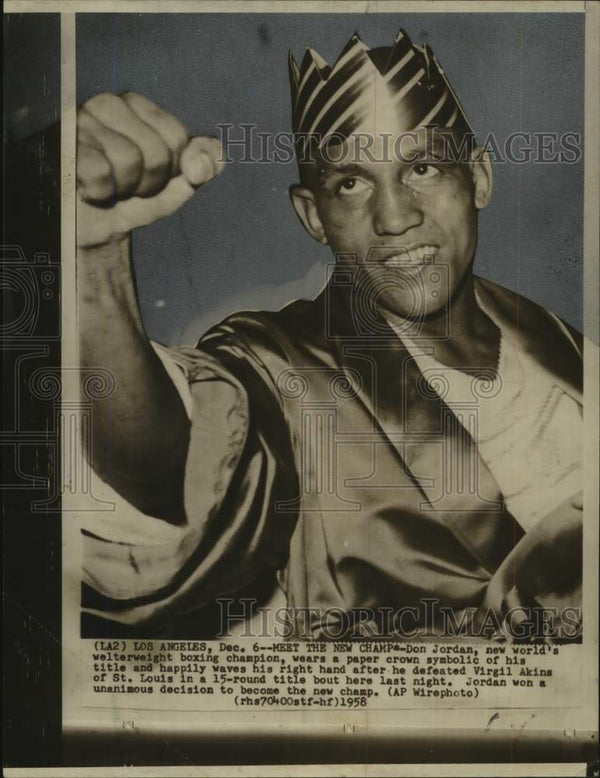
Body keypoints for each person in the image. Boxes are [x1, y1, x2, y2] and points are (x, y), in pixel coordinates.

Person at [77, 29, 583, 641]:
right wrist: (94, 262)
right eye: (351, 182)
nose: (395, 217)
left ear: (477, 178)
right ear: (313, 215)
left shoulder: (572, 355)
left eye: (422, 166)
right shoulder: (280, 367)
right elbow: (175, 474)